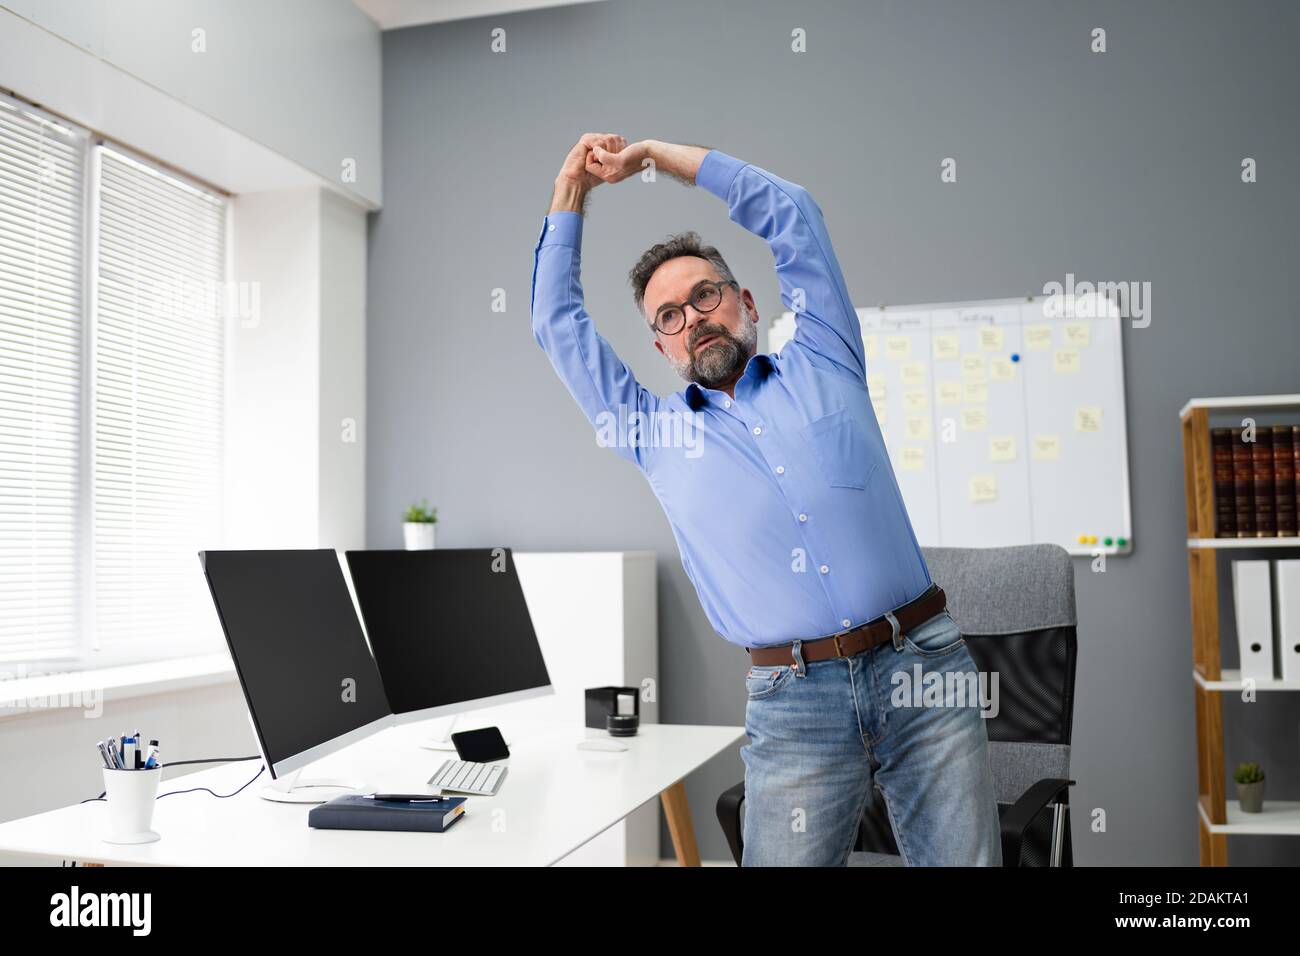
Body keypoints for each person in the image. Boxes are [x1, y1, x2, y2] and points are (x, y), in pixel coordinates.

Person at [531, 133, 1000, 866]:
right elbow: (558, 326)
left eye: (706, 295)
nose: (694, 319)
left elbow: (793, 212)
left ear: (744, 303)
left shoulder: (827, 354)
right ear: (662, 348)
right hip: (795, 703)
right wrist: (572, 195)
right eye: (670, 316)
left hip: (923, 669)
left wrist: (654, 156)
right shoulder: (649, 432)